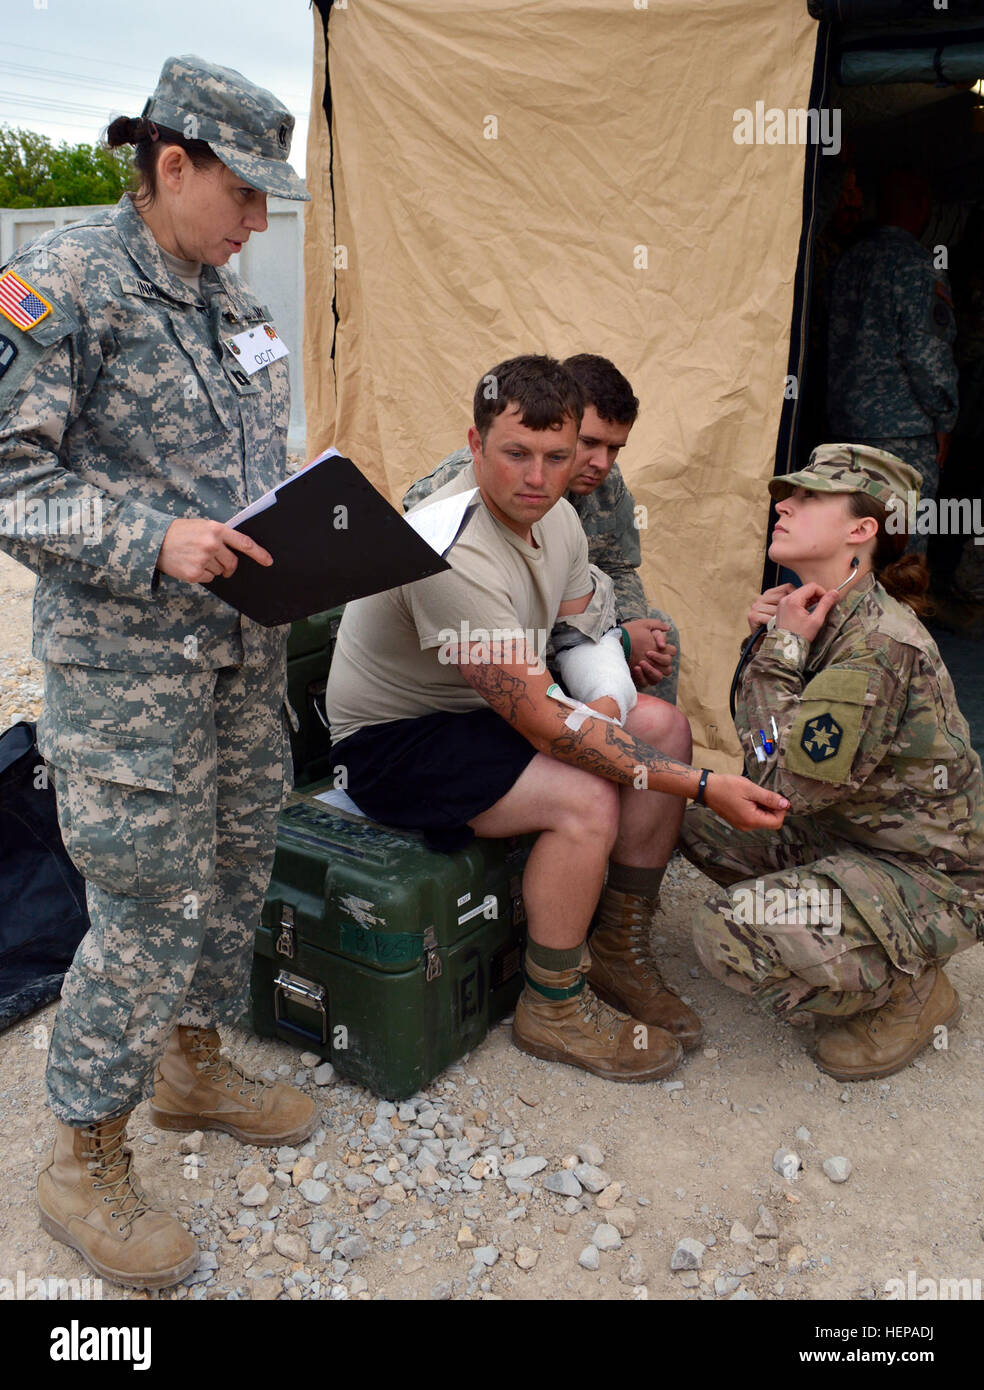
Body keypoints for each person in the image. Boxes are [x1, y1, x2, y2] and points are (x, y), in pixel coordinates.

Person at [0, 55, 314, 1290]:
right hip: (128, 671)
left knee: (238, 861)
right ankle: (83, 1154)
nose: (254, 226)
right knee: (141, 903)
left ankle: (189, 1064)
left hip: (241, 649)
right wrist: (152, 540)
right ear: (169, 162)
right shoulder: (58, 283)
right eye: (242, 196)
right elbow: (9, 482)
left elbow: (243, 460)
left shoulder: (231, 303)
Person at [326, 355, 789, 1084]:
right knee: (587, 797)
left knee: (662, 727)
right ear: (475, 446)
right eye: (515, 453)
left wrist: (608, 711)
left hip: (486, 711)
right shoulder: (447, 549)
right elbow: (544, 725)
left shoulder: (561, 520)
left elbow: (584, 630)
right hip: (394, 742)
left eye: (555, 456)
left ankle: (616, 945)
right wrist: (703, 788)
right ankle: (554, 1002)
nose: (536, 476)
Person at [680, 444, 984, 1080]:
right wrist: (772, 644)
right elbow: (764, 752)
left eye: (810, 497)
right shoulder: (826, 612)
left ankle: (906, 993)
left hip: (932, 879)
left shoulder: (875, 646)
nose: (784, 505)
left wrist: (777, 652)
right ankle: (853, 938)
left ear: (861, 530)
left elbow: (776, 780)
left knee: (728, 932)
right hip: (849, 834)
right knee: (700, 819)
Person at [403, 354, 681, 702]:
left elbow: (619, 568)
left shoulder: (608, 485)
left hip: (569, 617)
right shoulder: (473, 474)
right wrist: (617, 642)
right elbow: (440, 585)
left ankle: (636, 739)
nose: (602, 463)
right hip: (485, 632)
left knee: (658, 633)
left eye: (615, 448)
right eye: (590, 443)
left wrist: (629, 630)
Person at [826, 169, 959, 551]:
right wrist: (945, 419)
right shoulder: (919, 267)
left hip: (843, 432)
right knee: (901, 552)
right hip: (901, 438)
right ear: (922, 206)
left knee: (845, 545)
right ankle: (895, 612)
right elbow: (928, 356)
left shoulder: (845, 263)